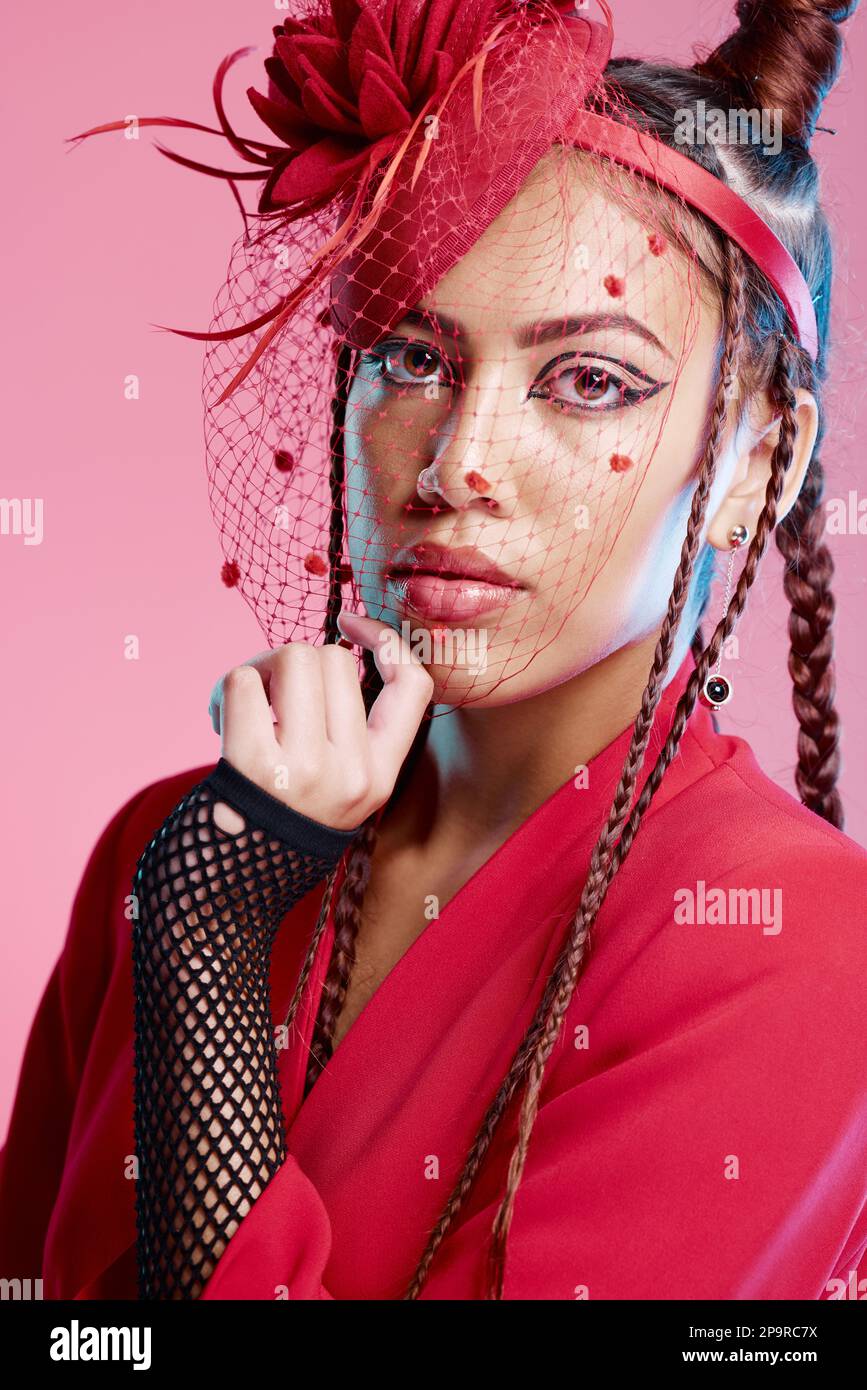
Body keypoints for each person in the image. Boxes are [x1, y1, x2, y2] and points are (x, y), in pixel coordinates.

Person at [1, 0, 865, 1301]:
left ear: (761, 455)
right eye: (412, 356)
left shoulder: (801, 941)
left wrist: (211, 957)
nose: (457, 464)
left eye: (589, 381)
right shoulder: (169, 845)